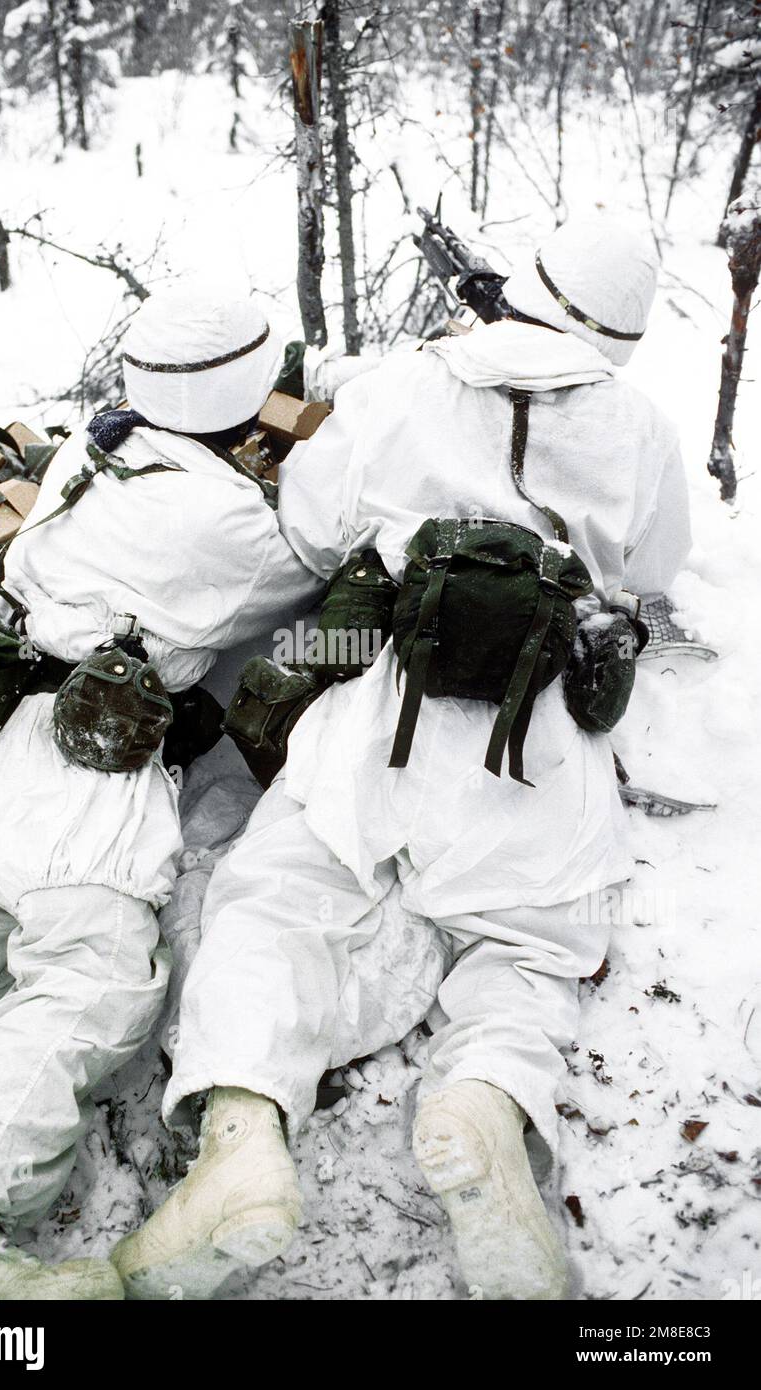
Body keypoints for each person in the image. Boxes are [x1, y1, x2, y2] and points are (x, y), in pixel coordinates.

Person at [112, 219, 692, 1301]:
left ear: (528, 287)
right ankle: (478, 1103)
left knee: (274, 898)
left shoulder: (406, 379)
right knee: (530, 951)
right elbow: (651, 569)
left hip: (385, 706)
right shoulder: (641, 424)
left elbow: (317, 521)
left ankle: (240, 1129)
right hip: (539, 727)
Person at [0, 288, 322, 1299]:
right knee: (94, 984)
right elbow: (310, 577)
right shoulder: (224, 521)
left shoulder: (96, 443)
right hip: (79, 786)